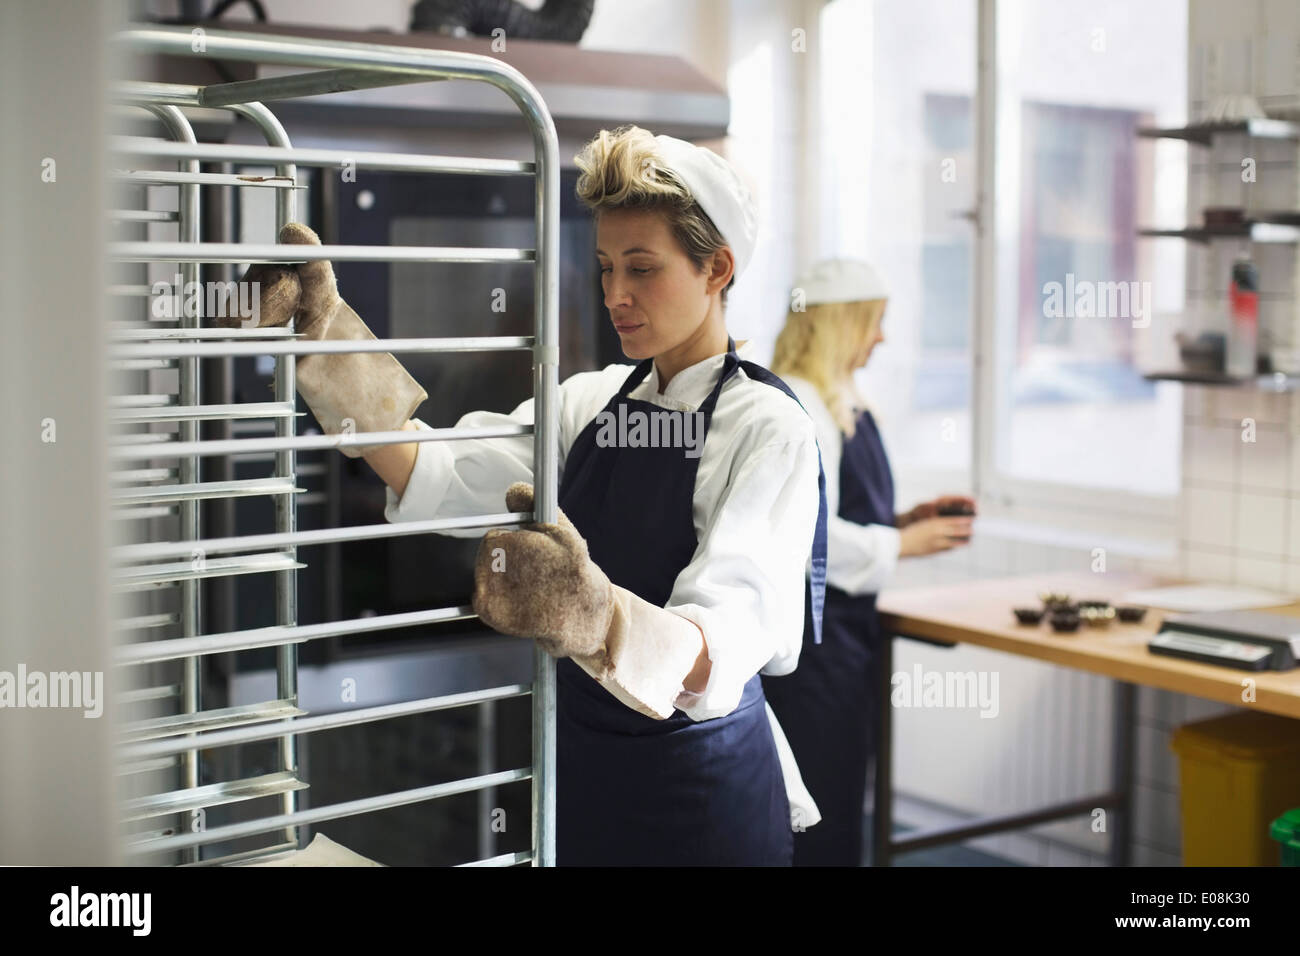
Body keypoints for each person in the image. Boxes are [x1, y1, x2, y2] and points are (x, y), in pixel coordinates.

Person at [235, 125, 829, 866]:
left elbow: (724, 642)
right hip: (584, 771)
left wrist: (599, 617)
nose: (616, 294)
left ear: (718, 270)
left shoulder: (769, 428)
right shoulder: (589, 402)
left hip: (701, 791)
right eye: (607, 267)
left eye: (643, 269)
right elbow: (437, 470)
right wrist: (321, 332)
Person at [761, 258, 976, 867]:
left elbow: (842, 508)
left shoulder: (838, 397)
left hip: (846, 640)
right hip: (814, 650)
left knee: (839, 791)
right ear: (842, 323)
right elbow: (804, 534)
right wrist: (899, 545)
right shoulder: (800, 401)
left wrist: (901, 521)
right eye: (875, 322)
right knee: (819, 802)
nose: (881, 337)